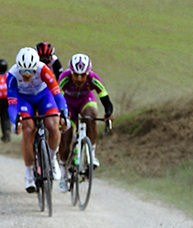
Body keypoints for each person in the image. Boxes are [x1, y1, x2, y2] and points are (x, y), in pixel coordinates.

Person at [7, 47, 69, 193]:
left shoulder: (43, 70)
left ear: (36, 67)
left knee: (53, 125)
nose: (27, 75)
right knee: (28, 129)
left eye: (30, 71)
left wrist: (64, 114)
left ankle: (52, 159)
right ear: (18, 68)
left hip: (43, 96)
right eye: (23, 71)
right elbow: (12, 104)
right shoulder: (12, 75)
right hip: (24, 100)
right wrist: (15, 121)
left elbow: (58, 94)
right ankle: (29, 173)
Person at [56, 53, 114, 188]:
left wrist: (108, 113)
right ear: (71, 72)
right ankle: (63, 173)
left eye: (83, 75)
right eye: (76, 75)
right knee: (66, 134)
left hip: (85, 102)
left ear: (88, 73)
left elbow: (105, 99)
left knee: (91, 115)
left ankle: (91, 154)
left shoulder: (94, 79)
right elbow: (58, 99)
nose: (80, 79)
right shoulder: (64, 78)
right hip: (68, 104)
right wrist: (62, 115)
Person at [0, 59, 11, 142]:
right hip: (8, 100)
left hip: (0, 101)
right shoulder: (8, 75)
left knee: (2, 117)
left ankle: (5, 133)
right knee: (7, 116)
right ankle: (8, 130)